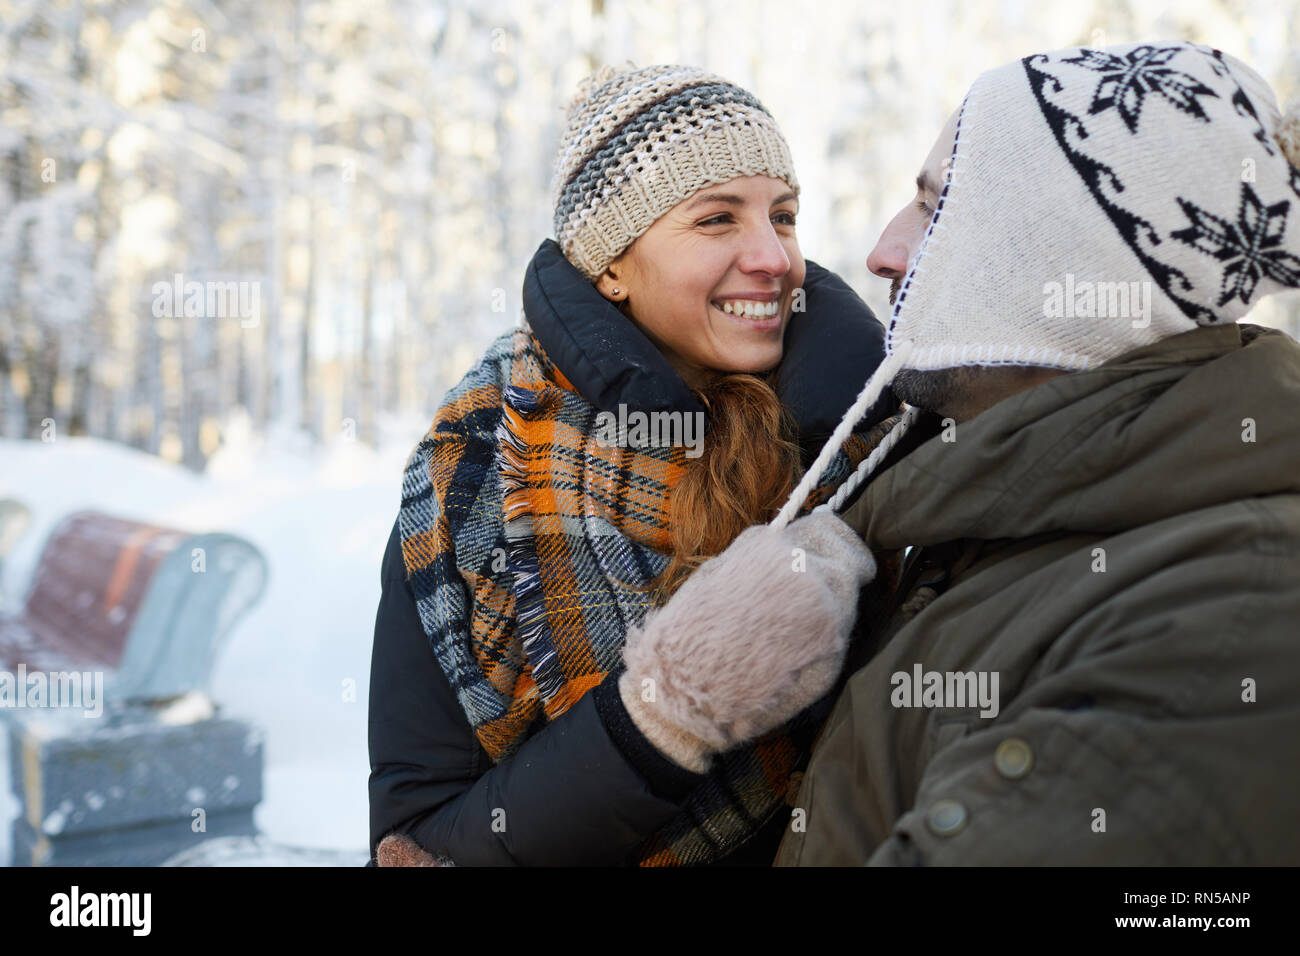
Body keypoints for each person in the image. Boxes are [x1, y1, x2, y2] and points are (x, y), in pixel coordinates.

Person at [760, 39, 1300, 864]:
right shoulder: (992, 519)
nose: (882, 252)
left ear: (1056, 266)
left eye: (936, 210)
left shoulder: (1228, 618)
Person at [367, 63, 898, 866]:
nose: (773, 258)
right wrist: (664, 715)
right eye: (717, 219)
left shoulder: (872, 442)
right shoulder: (474, 471)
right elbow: (421, 845)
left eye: (783, 217)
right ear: (610, 265)